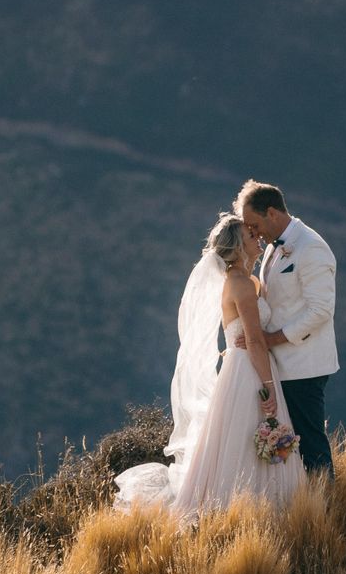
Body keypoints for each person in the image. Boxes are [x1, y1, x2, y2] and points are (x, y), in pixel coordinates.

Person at [114, 212, 309, 516]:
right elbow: (254, 340)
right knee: (245, 436)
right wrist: (269, 387)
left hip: (248, 365)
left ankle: (261, 507)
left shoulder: (251, 282)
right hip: (249, 371)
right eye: (250, 237)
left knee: (246, 437)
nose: (257, 239)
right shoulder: (240, 284)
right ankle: (241, 508)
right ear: (238, 247)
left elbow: (253, 335)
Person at [231, 180, 337, 479]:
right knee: (294, 448)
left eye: (254, 224)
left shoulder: (311, 247)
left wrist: (268, 340)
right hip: (279, 363)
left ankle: (326, 512)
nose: (253, 232)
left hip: (304, 363)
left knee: (311, 443)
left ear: (273, 213)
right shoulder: (271, 249)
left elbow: (320, 311)